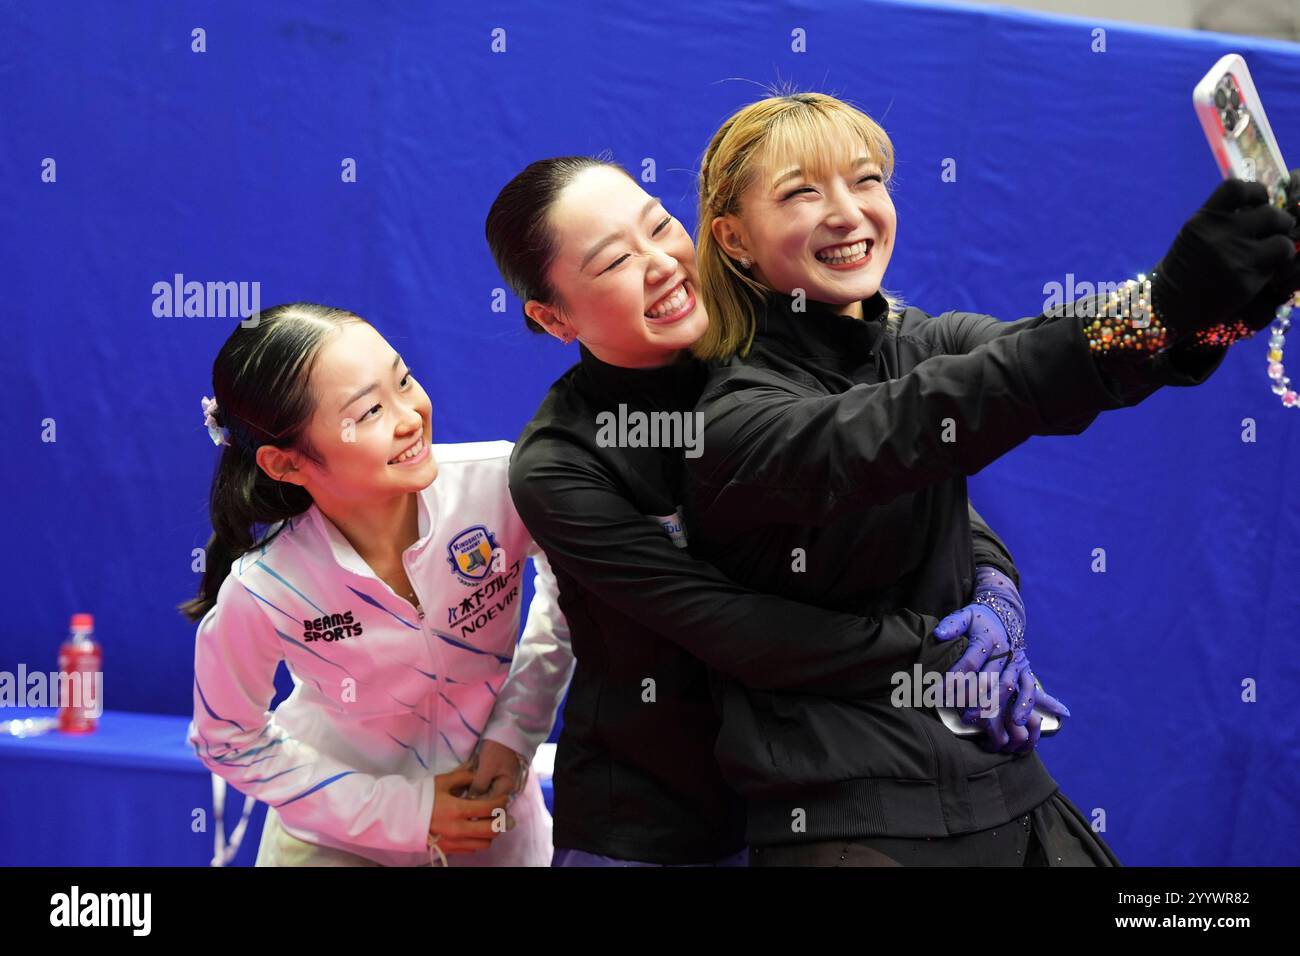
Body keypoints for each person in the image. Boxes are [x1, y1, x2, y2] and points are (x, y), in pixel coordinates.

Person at [685, 91, 1300, 866]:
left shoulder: (916, 337)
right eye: (803, 191)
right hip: (855, 828)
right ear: (733, 239)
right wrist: (1163, 299)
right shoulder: (729, 416)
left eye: (867, 179)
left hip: (1013, 796)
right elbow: (944, 407)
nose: (848, 212)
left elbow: (1044, 354)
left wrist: (1222, 309)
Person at [487, 156, 1065, 867]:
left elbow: (916, 488)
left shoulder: (778, 339)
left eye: (661, 226)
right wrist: (943, 654)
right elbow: (742, 630)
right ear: (553, 318)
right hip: (662, 824)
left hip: (823, 787)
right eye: (613, 263)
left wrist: (995, 597)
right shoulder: (563, 464)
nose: (662, 263)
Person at [181, 302, 574, 866]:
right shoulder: (264, 586)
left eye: (405, 380)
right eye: (367, 412)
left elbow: (573, 598)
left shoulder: (502, 483)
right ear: (285, 463)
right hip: (334, 846)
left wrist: (515, 733)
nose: (410, 416)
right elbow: (227, 738)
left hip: (495, 818)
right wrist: (404, 813)